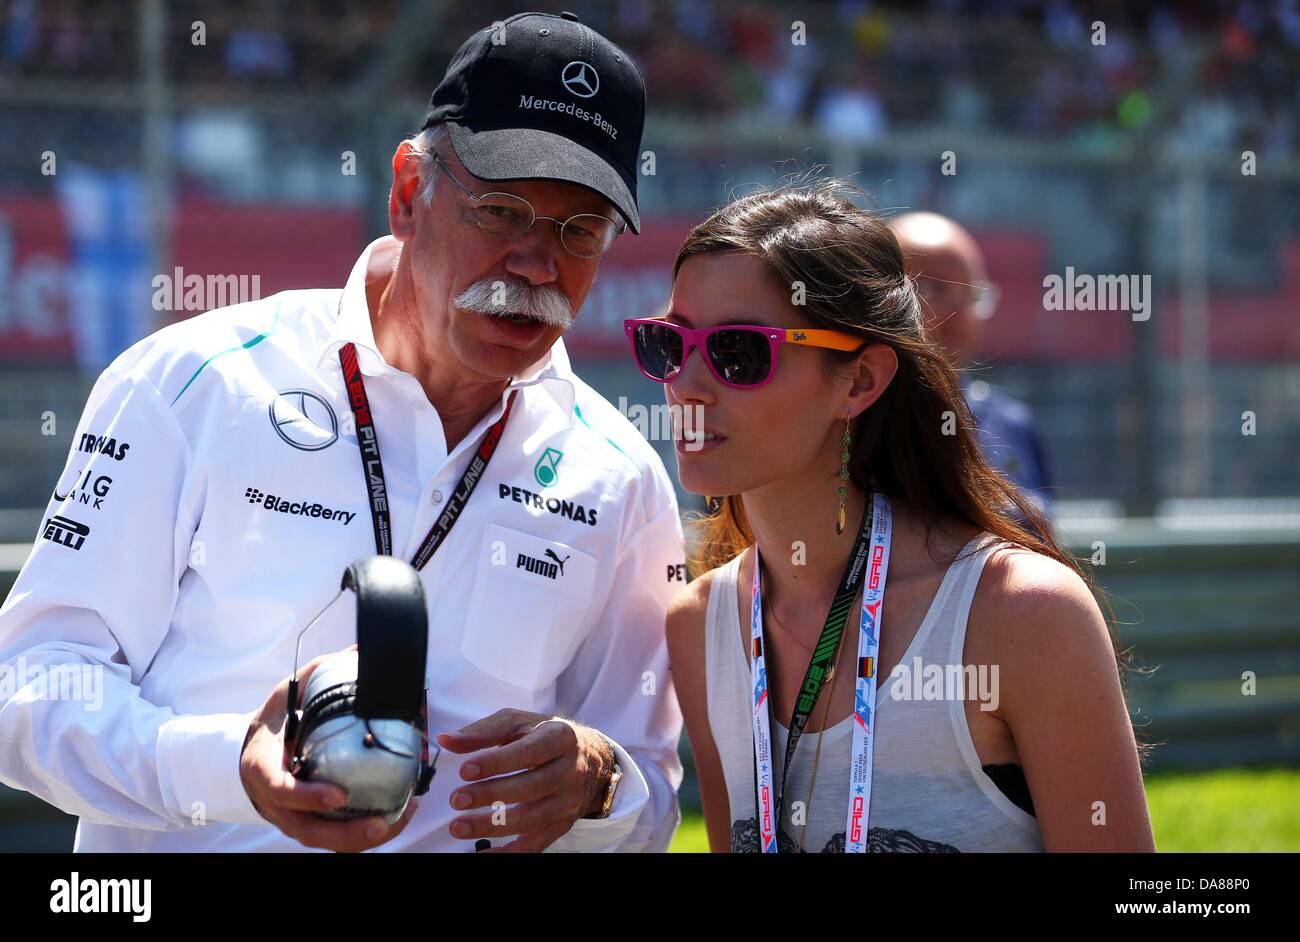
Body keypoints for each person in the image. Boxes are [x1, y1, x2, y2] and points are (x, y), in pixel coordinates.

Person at [0, 11, 685, 853]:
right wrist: (228, 770)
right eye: (503, 211)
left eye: (579, 232)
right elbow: (27, 686)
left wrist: (599, 780)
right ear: (408, 192)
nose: (537, 265)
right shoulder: (192, 383)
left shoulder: (621, 477)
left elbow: (651, 795)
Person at [626, 178, 1154, 852]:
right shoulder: (701, 626)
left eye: (737, 352)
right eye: (667, 345)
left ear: (859, 380)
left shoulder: (1023, 613)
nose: (686, 385)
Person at [890, 211, 1055, 518]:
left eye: (972, 294)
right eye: (934, 290)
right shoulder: (853, 431)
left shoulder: (1013, 424)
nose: (960, 313)